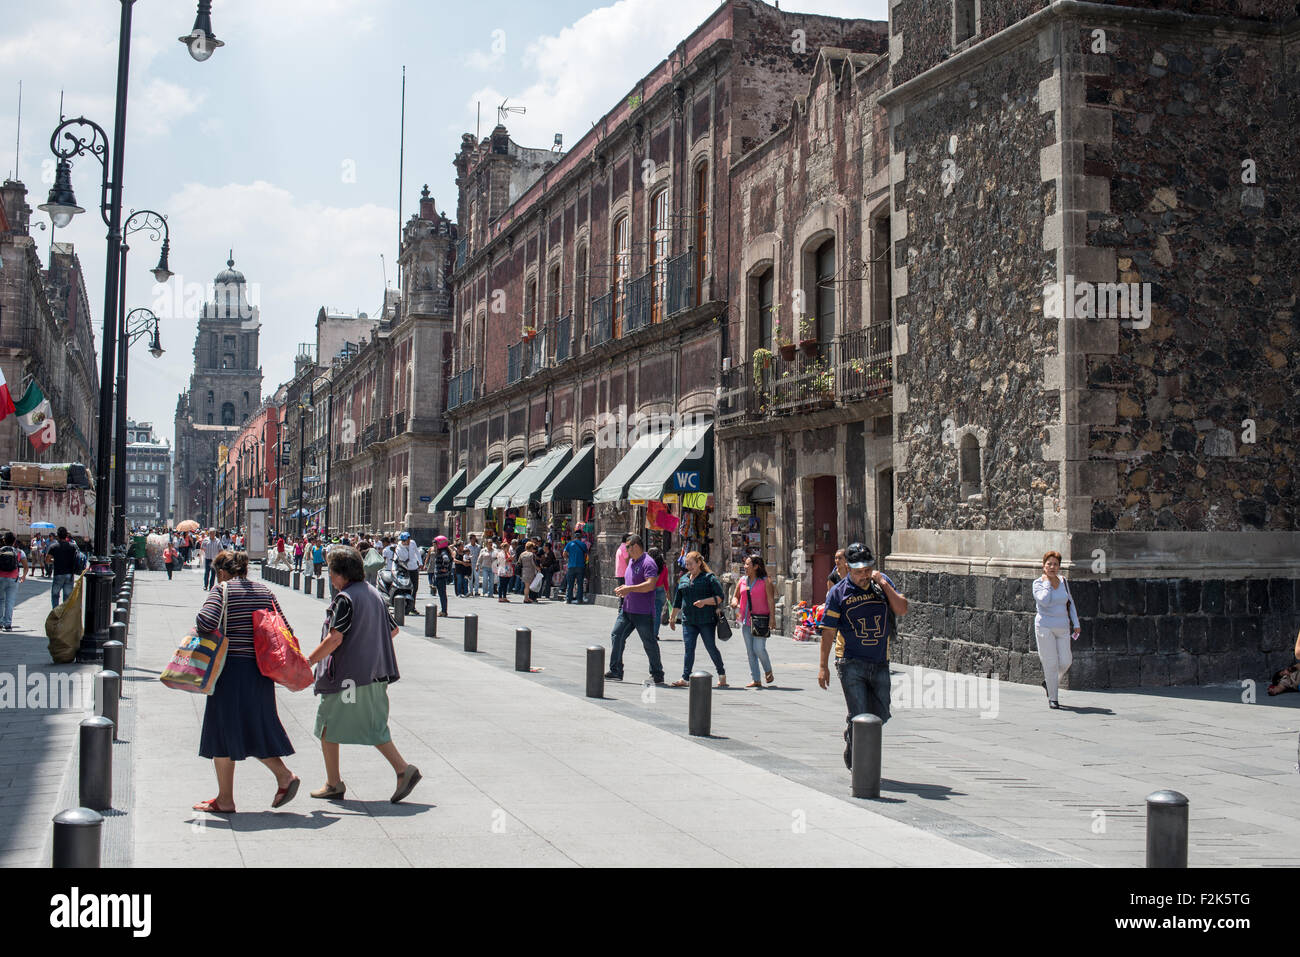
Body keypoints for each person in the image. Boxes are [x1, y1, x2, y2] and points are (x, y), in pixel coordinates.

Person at [305, 546, 421, 804]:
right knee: (370, 726)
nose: (330, 578)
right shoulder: (374, 594)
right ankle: (341, 781)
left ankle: (397, 771)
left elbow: (335, 638)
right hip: (375, 674)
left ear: (340, 573)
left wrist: (307, 662)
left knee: (328, 724)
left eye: (331, 572)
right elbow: (392, 631)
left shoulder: (345, 599)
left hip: (349, 679)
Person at [191, 550, 299, 813]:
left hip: (229, 670)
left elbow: (205, 622)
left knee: (222, 730)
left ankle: (226, 799)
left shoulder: (222, 591)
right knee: (254, 725)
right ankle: (283, 776)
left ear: (222, 572)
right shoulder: (265, 591)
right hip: (260, 671)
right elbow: (286, 628)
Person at [817, 542, 907, 770]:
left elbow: (902, 608)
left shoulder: (880, 584)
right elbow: (828, 632)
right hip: (850, 662)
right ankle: (860, 763)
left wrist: (883, 583)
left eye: (867, 570)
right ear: (848, 567)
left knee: (881, 714)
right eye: (858, 571)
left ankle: (851, 732)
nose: (864, 575)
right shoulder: (838, 593)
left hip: (879, 661)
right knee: (860, 714)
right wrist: (823, 666)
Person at [605, 535, 666, 684]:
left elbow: (651, 584)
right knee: (616, 635)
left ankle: (657, 674)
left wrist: (629, 589)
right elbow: (630, 582)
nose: (626, 550)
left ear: (636, 546)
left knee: (649, 642)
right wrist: (624, 589)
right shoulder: (631, 561)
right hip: (627, 609)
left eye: (628, 547)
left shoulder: (648, 563)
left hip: (643, 611)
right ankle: (616, 670)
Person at [667, 551, 727, 688]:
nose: (688, 567)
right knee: (689, 648)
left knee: (710, 647)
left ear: (699, 563)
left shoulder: (709, 578)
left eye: (691, 564)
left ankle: (721, 674)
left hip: (706, 620)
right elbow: (678, 600)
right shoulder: (684, 579)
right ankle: (685, 677)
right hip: (688, 620)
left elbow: (719, 597)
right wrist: (672, 617)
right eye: (686, 564)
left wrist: (704, 602)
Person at [1033, 550, 1081, 710]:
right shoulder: (1038, 584)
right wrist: (1047, 582)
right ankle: (1053, 698)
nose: (1052, 567)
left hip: (1063, 627)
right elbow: (1044, 601)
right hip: (1044, 627)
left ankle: (1049, 682)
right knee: (1051, 663)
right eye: (1049, 564)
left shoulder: (1064, 581)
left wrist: (1076, 622)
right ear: (1043, 566)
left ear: (1059, 566)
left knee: (1066, 661)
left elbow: (1070, 602)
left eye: (1055, 564)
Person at [733, 554, 776, 688]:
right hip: (746, 620)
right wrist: (734, 602)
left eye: (747, 564)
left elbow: (770, 600)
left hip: (761, 619)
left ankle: (768, 670)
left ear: (756, 566)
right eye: (745, 564)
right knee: (750, 651)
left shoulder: (765, 581)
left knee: (759, 648)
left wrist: (773, 618)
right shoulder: (742, 581)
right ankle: (756, 679)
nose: (745, 567)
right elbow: (735, 596)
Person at [0, 532, 27, 630]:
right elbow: (25, 566)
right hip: (13, 579)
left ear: (4, 540)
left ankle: (0, 623)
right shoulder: (19, 552)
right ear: (14, 541)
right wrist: (23, 576)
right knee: (9, 602)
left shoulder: (0, 551)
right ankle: (7, 624)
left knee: (0, 601)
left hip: (0, 578)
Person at [48, 527, 80, 609]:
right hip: (69, 574)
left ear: (57, 536)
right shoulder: (73, 546)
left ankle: (55, 612)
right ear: (67, 536)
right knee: (67, 597)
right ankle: (64, 615)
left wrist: (54, 560)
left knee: (55, 595)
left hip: (58, 573)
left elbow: (47, 560)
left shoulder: (54, 547)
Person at [647, 547, 670, 640]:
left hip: (650, 590)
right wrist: (668, 593)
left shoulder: (649, 566)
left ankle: (649, 633)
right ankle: (655, 634)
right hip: (660, 591)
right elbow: (665, 581)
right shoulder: (664, 567)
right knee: (657, 614)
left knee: (649, 613)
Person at [395, 532, 423, 606]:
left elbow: (417, 552)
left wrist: (420, 562)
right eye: (407, 540)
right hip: (405, 569)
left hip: (414, 568)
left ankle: (412, 605)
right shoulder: (399, 548)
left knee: (415, 587)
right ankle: (407, 604)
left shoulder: (413, 543)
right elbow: (402, 558)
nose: (408, 541)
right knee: (407, 588)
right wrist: (404, 548)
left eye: (409, 539)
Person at [429, 535, 453, 616]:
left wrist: (444, 568)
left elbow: (446, 559)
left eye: (435, 544)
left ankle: (444, 611)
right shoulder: (441, 551)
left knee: (442, 594)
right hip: (439, 576)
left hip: (441, 576)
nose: (434, 546)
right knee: (441, 593)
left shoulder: (443, 552)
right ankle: (443, 610)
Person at [564, 532, 588, 604]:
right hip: (580, 566)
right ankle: (579, 599)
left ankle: (568, 599)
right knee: (580, 584)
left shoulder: (569, 544)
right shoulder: (583, 545)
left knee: (570, 583)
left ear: (574, 537)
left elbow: (564, 553)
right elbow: (586, 555)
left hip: (571, 566)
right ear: (580, 538)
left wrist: (568, 558)